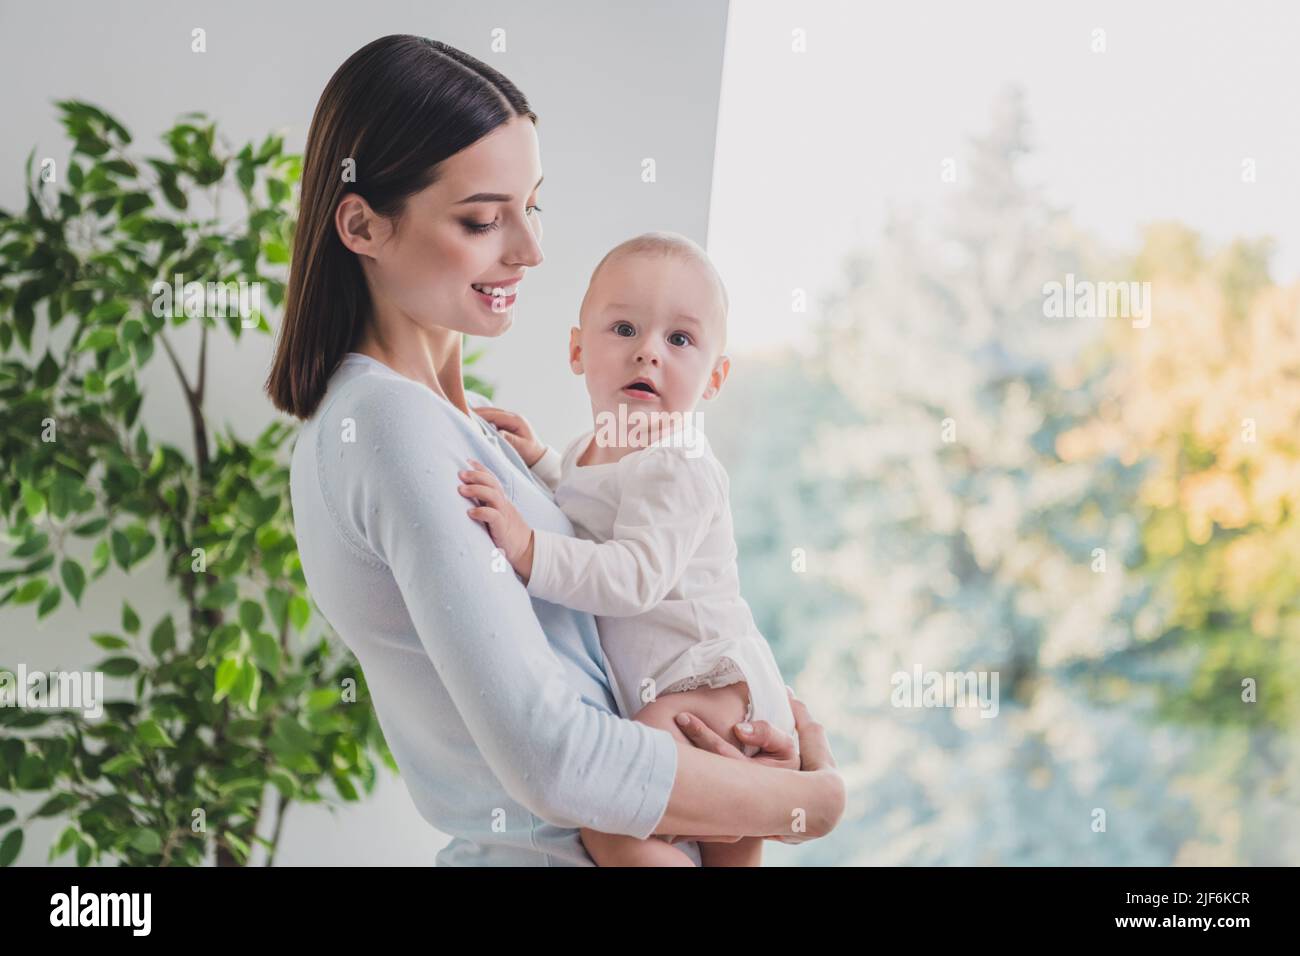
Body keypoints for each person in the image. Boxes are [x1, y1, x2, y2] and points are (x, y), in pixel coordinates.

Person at [266, 34, 843, 865]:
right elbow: (556, 758)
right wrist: (807, 806)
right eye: (481, 219)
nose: (530, 250)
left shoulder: (461, 428)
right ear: (361, 223)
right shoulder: (389, 429)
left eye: (531, 206)